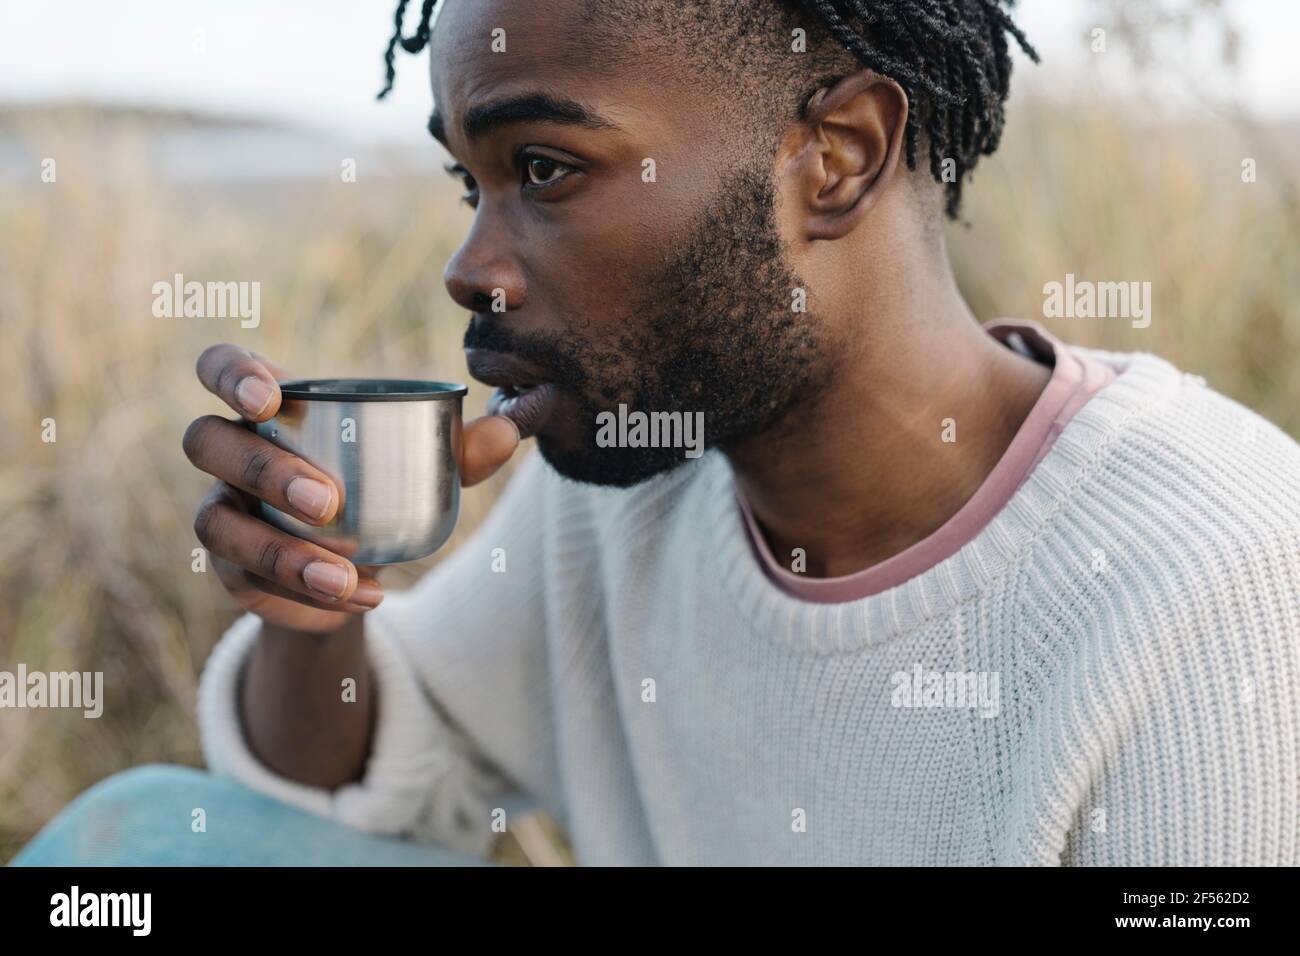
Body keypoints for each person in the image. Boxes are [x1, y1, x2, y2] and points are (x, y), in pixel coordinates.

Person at [28, 0, 1299, 866]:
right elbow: (364, 780)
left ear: (838, 156)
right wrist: (314, 604)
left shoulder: (1212, 579)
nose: (469, 268)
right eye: (467, 183)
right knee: (141, 837)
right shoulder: (624, 482)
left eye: (545, 169)